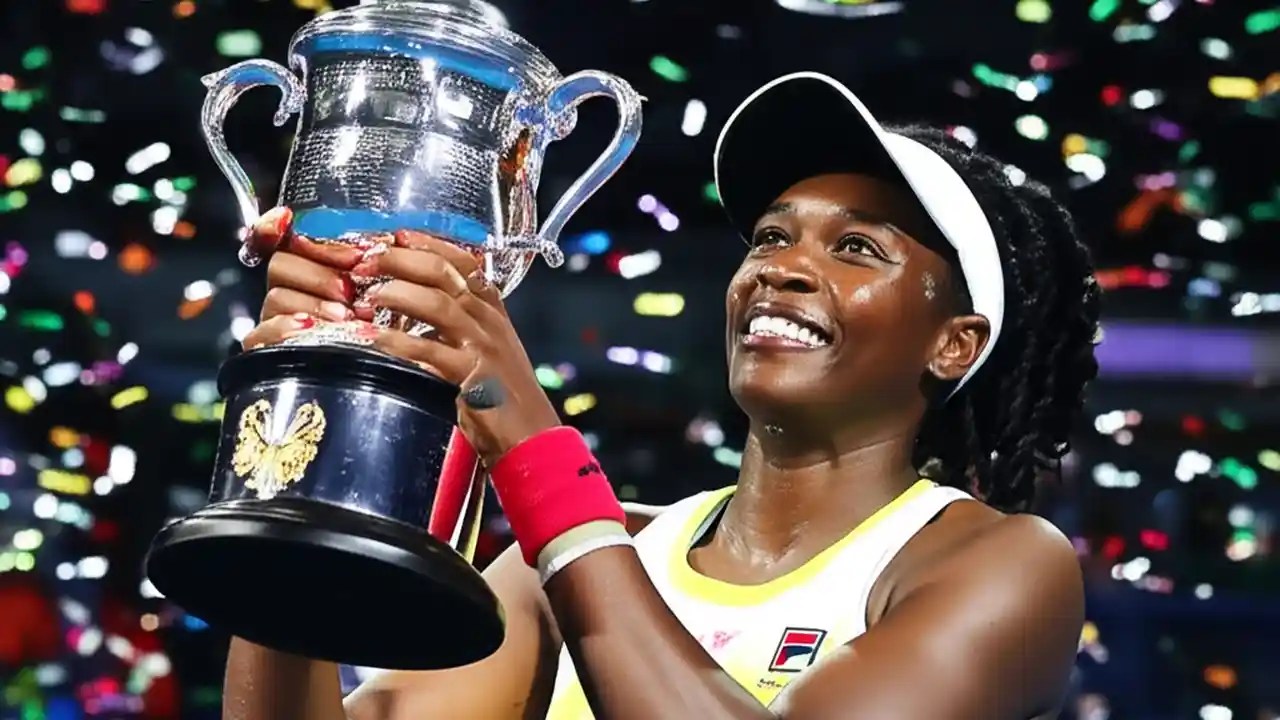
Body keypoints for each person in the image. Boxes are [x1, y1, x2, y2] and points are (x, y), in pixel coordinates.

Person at [225, 72, 1100, 720]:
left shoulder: (998, 566)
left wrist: (536, 455)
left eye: (859, 249)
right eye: (770, 236)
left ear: (956, 345)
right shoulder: (566, 564)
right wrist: (297, 457)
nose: (783, 268)